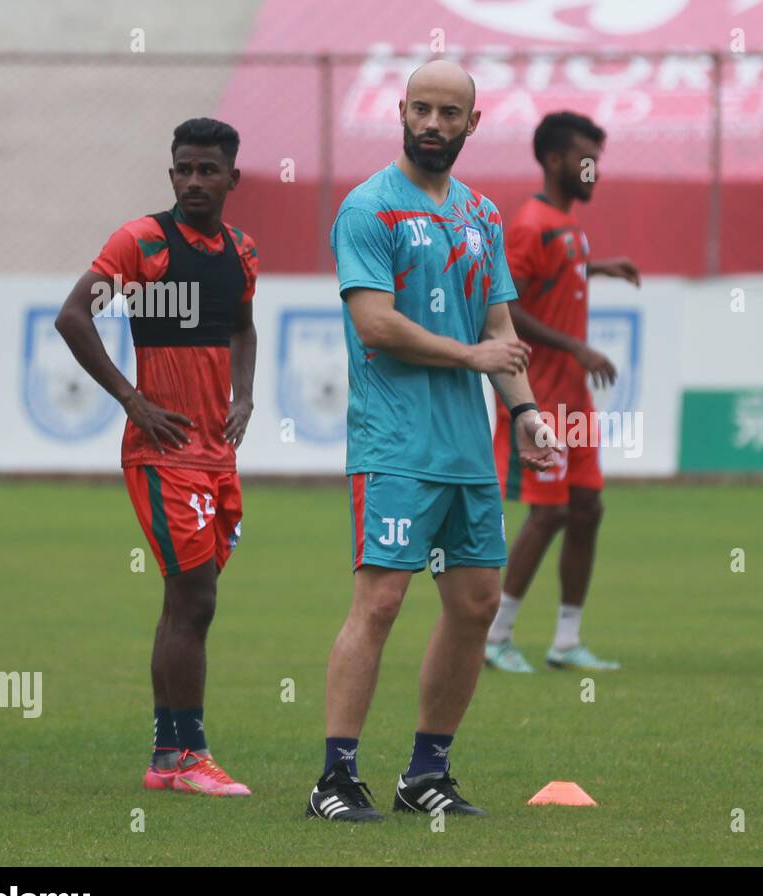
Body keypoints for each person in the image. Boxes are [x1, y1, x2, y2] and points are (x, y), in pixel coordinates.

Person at [307, 61, 557, 823]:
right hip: (394, 446)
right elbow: (375, 323)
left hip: (467, 453)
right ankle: (335, 781)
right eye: (422, 108)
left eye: (450, 113)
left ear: (472, 124)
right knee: (380, 602)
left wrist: (525, 412)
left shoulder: (481, 215)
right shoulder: (369, 209)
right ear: (402, 112)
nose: (433, 124)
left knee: (477, 602)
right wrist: (472, 359)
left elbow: (497, 328)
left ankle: (426, 775)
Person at [53, 117, 258, 795]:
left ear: (234, 177)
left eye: (206, 170)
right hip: (161, 451)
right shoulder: (143, 242)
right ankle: (187, 756)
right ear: (171, 174)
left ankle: (168, 758)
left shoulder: (241, 251)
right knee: (194, 596)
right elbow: (74, 316)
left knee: (190, 603)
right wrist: (131, 400)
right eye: (182, 169)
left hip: (215, 456)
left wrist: (246, 395)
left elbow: (242, 326)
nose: (192, 182)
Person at [486, 111, 640, 674]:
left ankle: (566, 641)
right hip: (539, 398)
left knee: (586, 508)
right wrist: (576, 348)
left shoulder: (566, 225)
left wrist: (597, 267)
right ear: (554, 160)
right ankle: (495, 636)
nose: (594, 170)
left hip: (573, 402)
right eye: (586, 159)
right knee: (546, 516)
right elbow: (507, 308)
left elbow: (555, 275)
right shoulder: (530, 224)